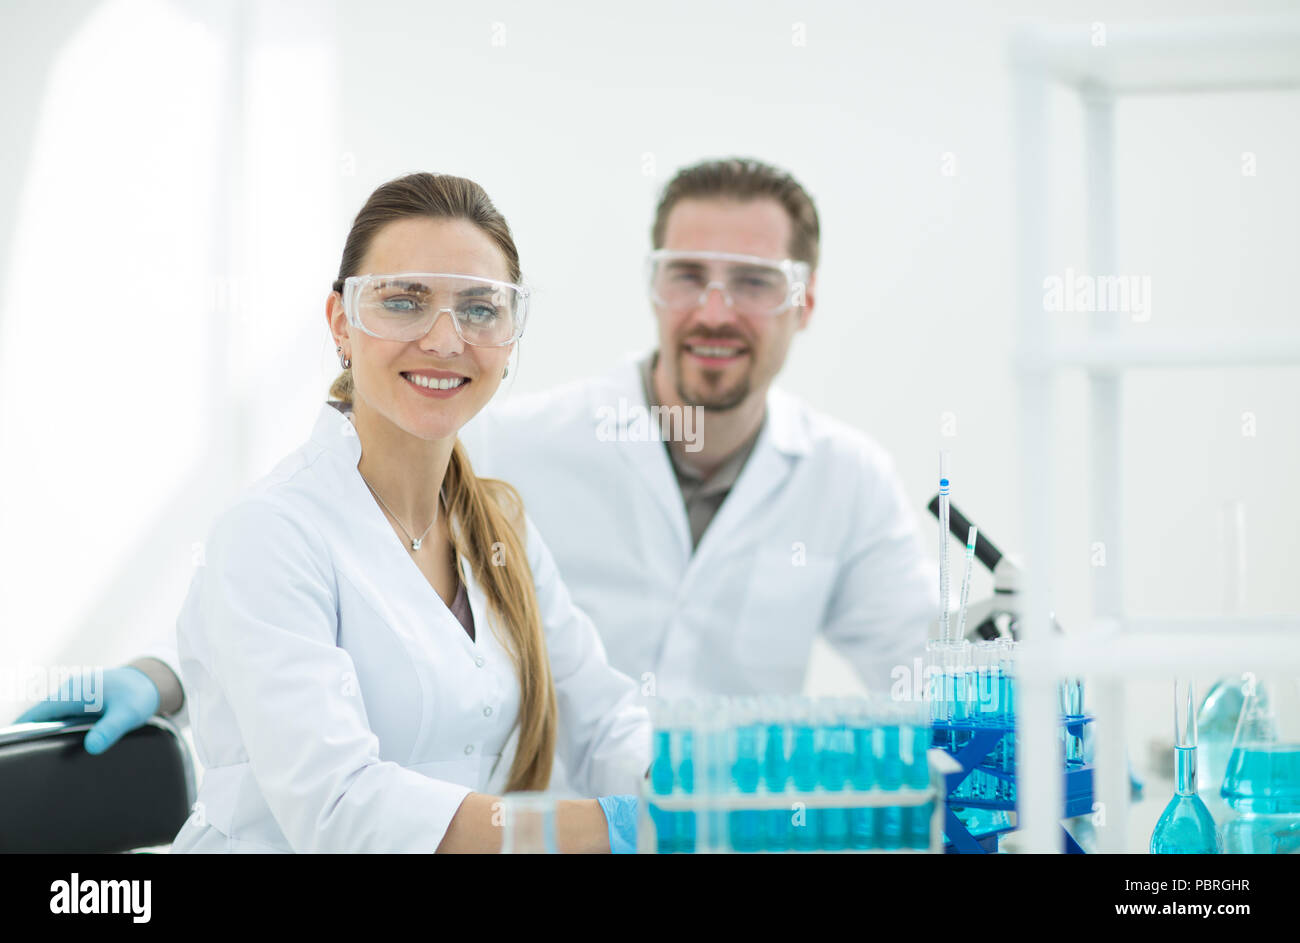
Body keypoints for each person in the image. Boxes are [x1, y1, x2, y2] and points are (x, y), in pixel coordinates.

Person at [20, 158, 933, 791]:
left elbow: (928, 676)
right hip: (551, 827)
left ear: (805, 301)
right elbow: (325, 590)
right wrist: (178, 674)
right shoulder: (517, 441)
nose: (715, 308)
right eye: (687, 274)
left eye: (755, 280)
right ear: (654, 286)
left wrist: (1011, 708)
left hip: (691, 818)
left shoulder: (847, 480)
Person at [74, 171, 647, 852]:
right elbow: (341, 806)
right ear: (342, 323)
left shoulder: (499, 529)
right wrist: (609, 831)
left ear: (510, 335)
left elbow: (604, 715)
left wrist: (704, 791)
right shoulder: (272, 530)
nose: (445, 339)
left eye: (479, 308)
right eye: (404, 301)